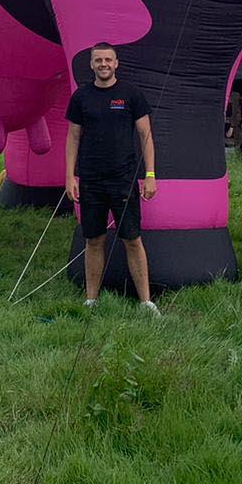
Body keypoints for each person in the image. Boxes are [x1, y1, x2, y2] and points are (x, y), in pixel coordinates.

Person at [64, 43, 160, 315]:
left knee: (132, 239)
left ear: (116, 63)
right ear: (92, 65)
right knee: (93, 240)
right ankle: (91, 300)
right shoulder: (81, 97)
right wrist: (69, 175)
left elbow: (146, 136)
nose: (103, 64)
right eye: (98, 60)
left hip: (124, 180)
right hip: (91, 180)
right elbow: (73, 137)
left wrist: (150, 175)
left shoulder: (131, 94)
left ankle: (146, 302)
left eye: (108, 59)